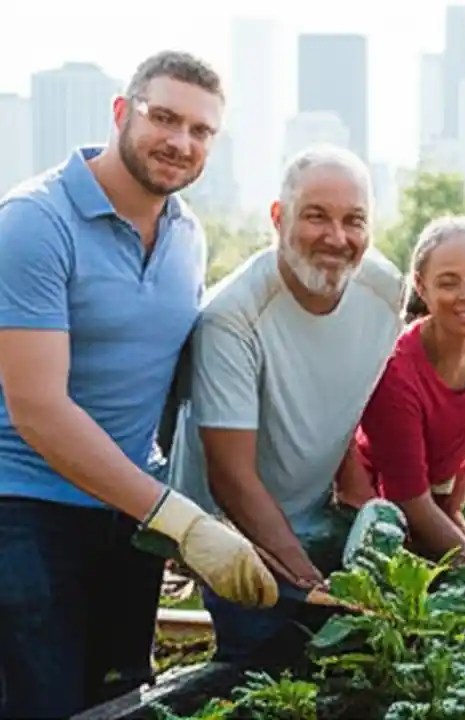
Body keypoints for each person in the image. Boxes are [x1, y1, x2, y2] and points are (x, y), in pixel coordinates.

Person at [0, 51, 278, 718]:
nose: (181, 141)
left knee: (119, 701)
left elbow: (169, 386)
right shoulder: (33, 223)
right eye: (164, 118)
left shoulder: (188, 236)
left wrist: (184, 512)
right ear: (122, 112)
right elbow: (38, 408)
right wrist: (177, 517)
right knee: (41, 703)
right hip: (24, 513)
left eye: (201, 130)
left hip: (127, 518)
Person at [168, 144, 403, 664]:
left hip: (315, 513)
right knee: (262, 671)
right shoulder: (232, 318)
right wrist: (310, 582)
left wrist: (364, 513)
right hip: (233, 532)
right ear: (278, 217)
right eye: (316, 216)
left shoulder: (385, 292)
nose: (337, 237)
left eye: (354, 220)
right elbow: (231, 477)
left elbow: (343, 398)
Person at [341, 216, 465, 565]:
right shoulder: (396, 372)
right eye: (448, 282)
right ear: (421, 286)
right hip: (376, 522)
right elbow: (407, 499)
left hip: (434, 508)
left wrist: (455, 518)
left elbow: (457, 453)